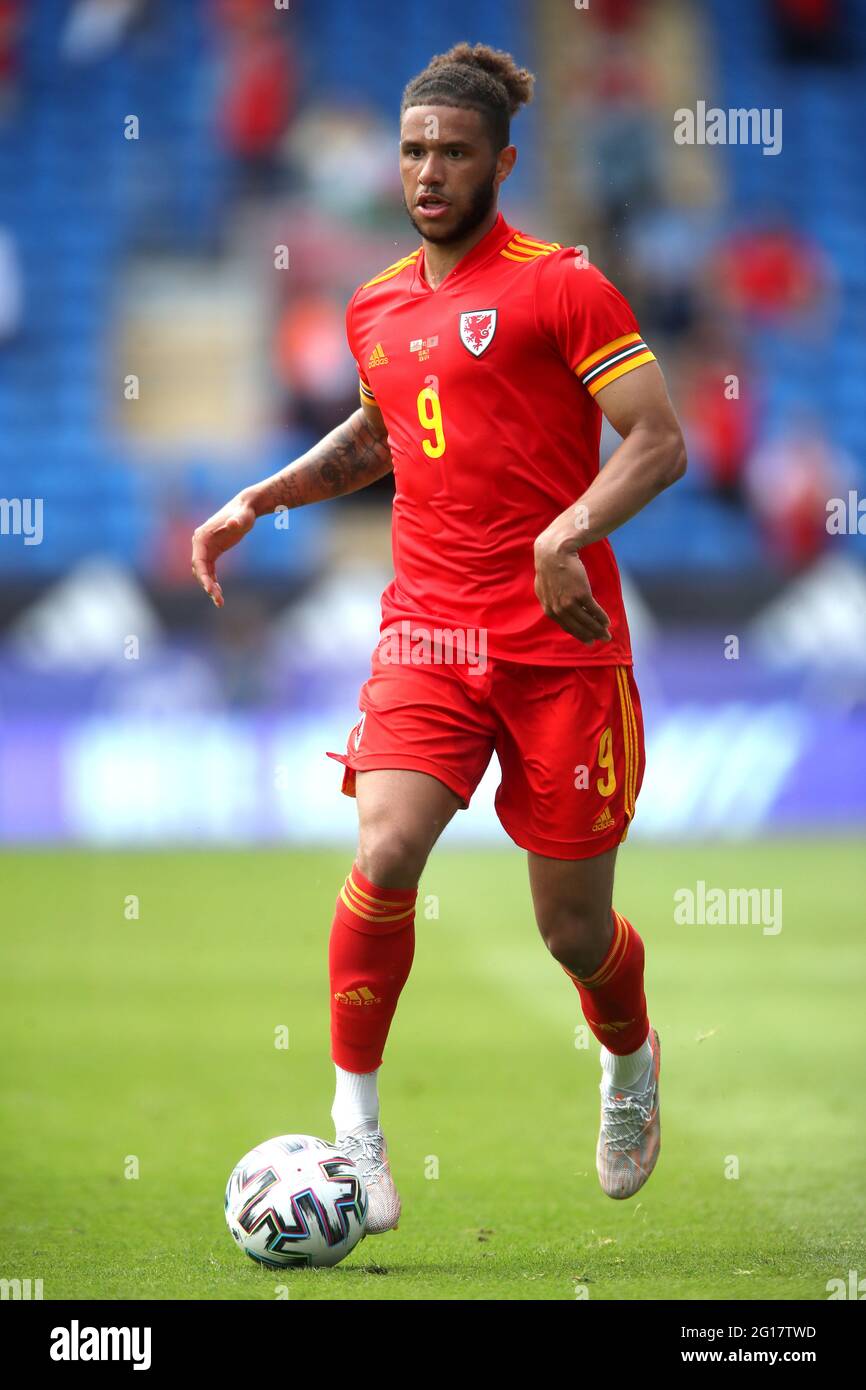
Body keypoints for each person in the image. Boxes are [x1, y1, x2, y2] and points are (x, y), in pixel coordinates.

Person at [191, 42, 687, 1234]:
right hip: (427, 633)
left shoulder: (562, 286)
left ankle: (627, 1062)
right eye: (412, 150)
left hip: (561, 645)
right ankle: (354, 1132)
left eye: (451, 153)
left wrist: (564, 531)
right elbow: (379, 437)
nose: (425, 171)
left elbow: (659, 439)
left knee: (569, 927)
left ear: (500, 163)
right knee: (387, 850)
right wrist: (264, 496)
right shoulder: (374, 303)